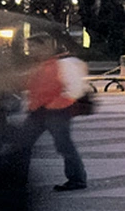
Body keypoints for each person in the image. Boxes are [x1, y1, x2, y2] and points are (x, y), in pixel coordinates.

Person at [22, 35, 88, 191]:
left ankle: (77, 179)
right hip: (38, 110)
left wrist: (58, 102)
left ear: (46, 47)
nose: (30, 50)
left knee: (64, 145)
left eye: (33, 47)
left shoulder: (63, 64)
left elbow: (75, 89)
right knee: (22, 144)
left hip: (57, 111)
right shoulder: (41, 64)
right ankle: (19, 177)